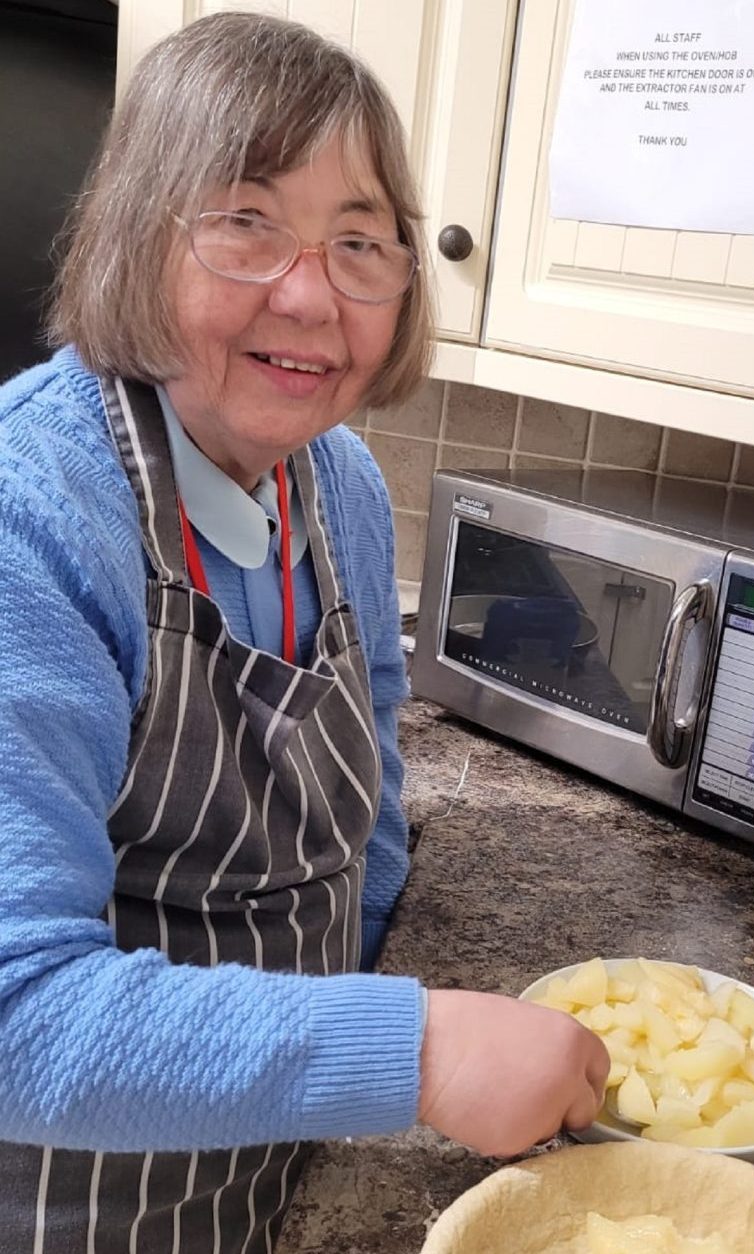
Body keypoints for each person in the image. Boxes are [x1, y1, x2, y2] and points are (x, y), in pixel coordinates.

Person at [0, 14, 605, 1248]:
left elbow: (369, 793)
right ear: (136, 236)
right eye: (246, 222)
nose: (312, 293)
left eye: (360, 241)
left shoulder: (342, 487)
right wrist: (418, 1048)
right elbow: (17, 1018)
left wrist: (355, 1032)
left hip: (280, 1164)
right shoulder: (35, 518)